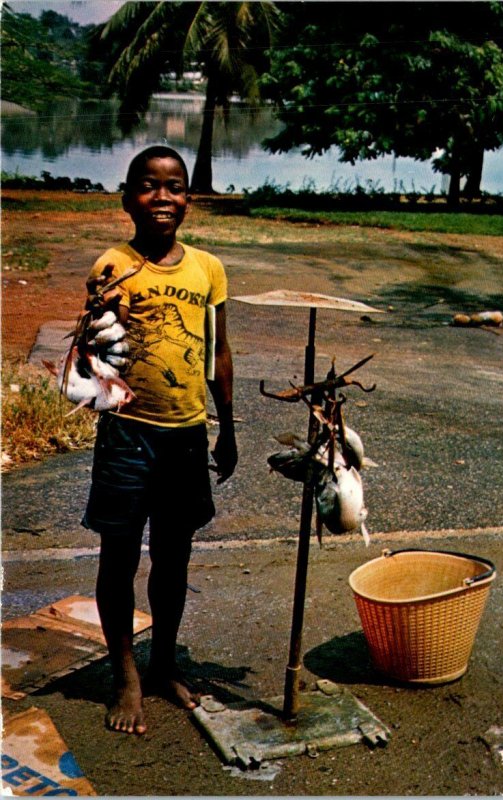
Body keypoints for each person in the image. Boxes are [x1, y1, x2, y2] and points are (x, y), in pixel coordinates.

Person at [81, 145, 237, 735]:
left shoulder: (208, 269)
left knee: (173, 557)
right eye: (149, 186)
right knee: (118, 555)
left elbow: (218, 352)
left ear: (189, 201)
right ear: (127, 199)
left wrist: (227, 426)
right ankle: (125, 674)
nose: (163, 197)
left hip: (187, 435)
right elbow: (96, 356)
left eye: (175, 187)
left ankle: (163, 662)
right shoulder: (111, 265)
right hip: (126, 436)